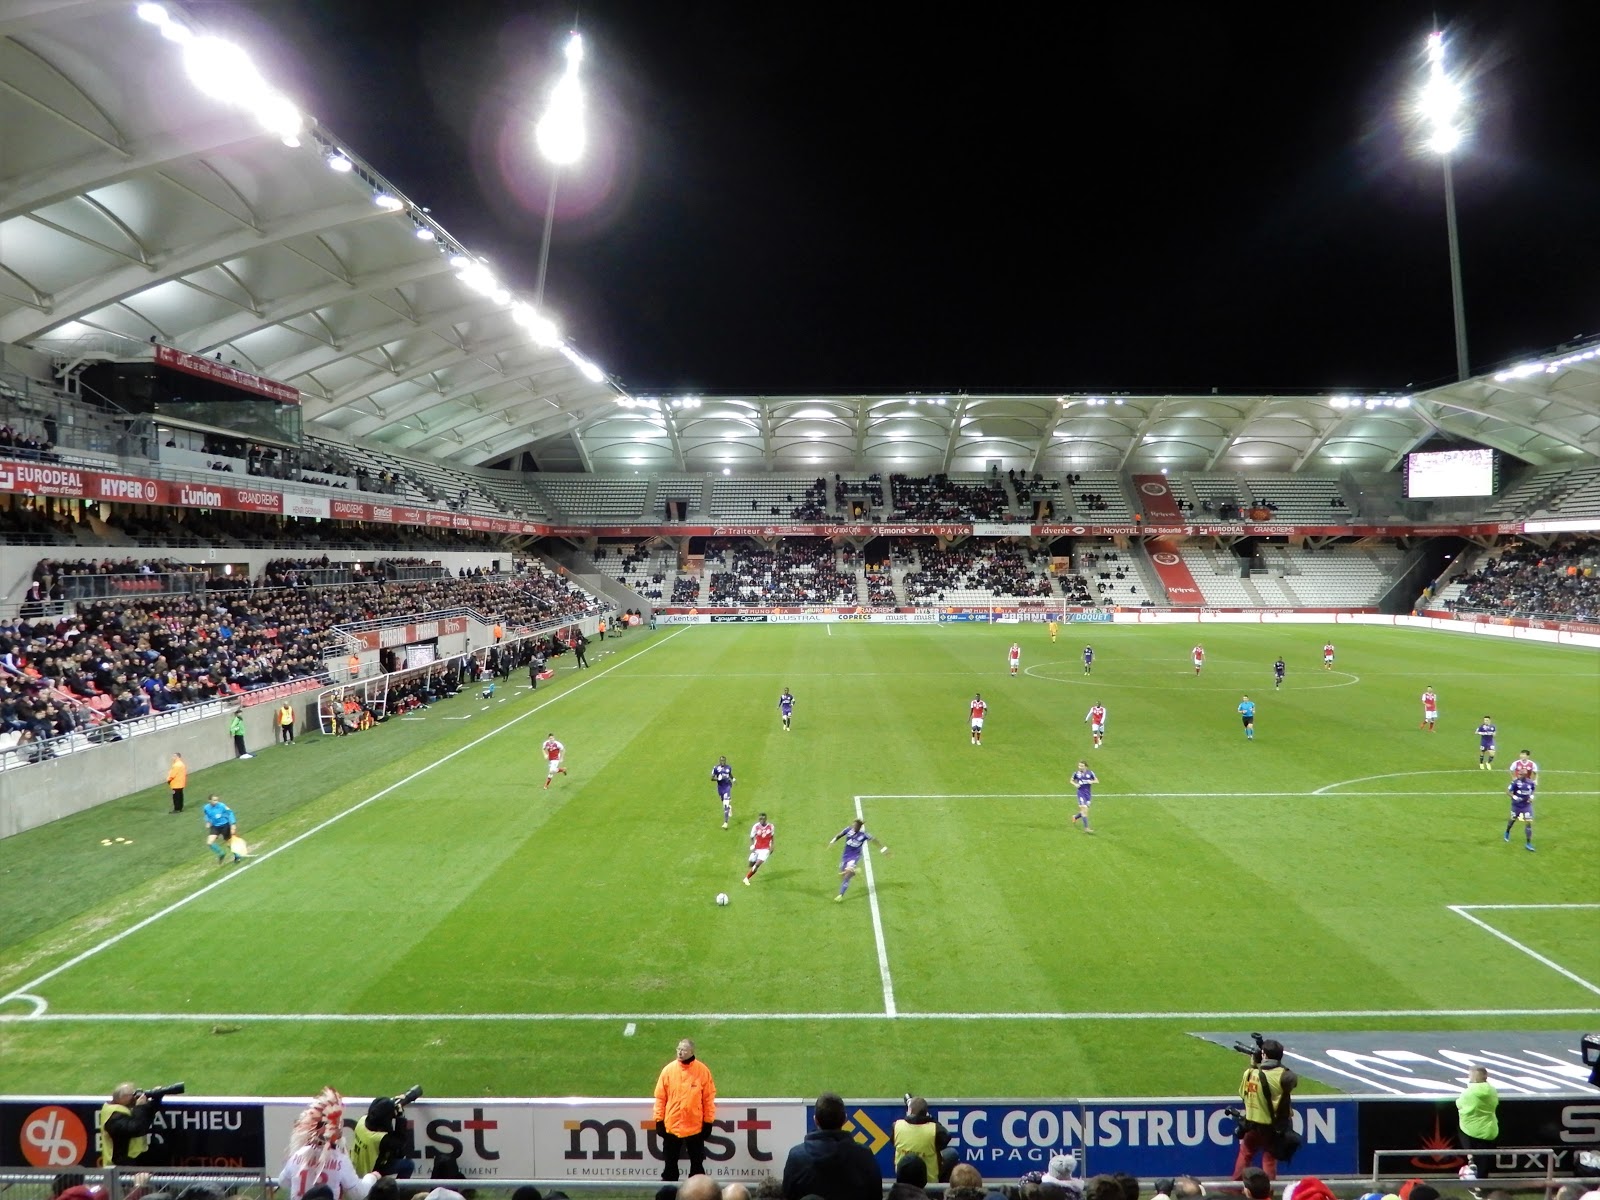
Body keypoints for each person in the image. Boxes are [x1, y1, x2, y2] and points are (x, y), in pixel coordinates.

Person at [278, 1087, 380, 1200]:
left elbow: (283, 1183)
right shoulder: (340, 1160)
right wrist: (372, 1177)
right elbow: (358, 1193)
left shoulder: (298, 1155)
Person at [780, 1092, 881, 1200]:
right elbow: (876, 1195)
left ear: (815, 1120)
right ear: (845, 1119)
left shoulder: (796, 1157)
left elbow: (787, 1195)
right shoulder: (864, 1155)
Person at [1232, 1038, 1297, 1181]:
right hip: (1273, 1127)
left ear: (1264, 1056)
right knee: (1269, 1160)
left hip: (1253, 1125)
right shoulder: (1284, 1076)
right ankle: (1267, 1192)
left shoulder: (1249, 1074)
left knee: (1245, 1154)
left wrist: (1254, 1064)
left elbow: (1243, 1094)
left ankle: (1235, 1190)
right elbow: (1291, 1081)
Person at [653, 1038, 716, 1182]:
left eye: (684, 1050)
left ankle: (697, 1195)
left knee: (697, 1167)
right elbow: (660, 1098)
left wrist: (708, 1122)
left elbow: (708, 1099)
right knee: (669, 1167)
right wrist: (658, 1120)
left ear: (691, 1052)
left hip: (695, 1126)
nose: (680, 1052)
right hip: (672, 1126)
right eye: (678, 1049)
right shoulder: (668, 1070)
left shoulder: (702, 1071)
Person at [349, 1093, 418, 1180]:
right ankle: (398, 1191)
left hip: (356, 1167)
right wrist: (400, 1117)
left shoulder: (362, 1121)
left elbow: (379, 1115)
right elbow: (400, 1141)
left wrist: (390, 1103)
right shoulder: (379, 1139)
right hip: (371, 1171)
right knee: (408, 1165)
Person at [98, 1083, 167, 1166]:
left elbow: (145, 1117)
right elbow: (136, 1128)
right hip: (119, 1165)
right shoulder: (113, 1117)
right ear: (123, 1098)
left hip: (134, 1160)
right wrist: (140, 1107)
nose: (134, 1097)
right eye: (132, 1095)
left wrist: (157, 1098)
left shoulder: (124, 1108)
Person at [892, 1096, 950, 1184]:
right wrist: (930, 1118)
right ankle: (941, 1190)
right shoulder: (935, 1129)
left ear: (909, 1111)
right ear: (925, 1113)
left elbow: (893, 1141)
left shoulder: (897, 1126)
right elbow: (946, 1138)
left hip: (902, 1181)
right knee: (952, 1154)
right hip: (929, 1184)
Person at [1455, 1066, 1499, 1178]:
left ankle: (1471, 1158)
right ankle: (1481, 1186)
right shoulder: (1493, 1090)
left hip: (1471, 1130)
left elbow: (1459, 1105)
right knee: (1484, 1159)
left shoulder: (1468, 1093)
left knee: (1461, 1131)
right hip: (1489, 1130)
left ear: (1473, 1078)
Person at [829, 817, 888, 901]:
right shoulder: (848, 830)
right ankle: (854, 871)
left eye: (855, 826)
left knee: (847, 875)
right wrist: (832, 841)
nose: (853, 827)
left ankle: (840, 895)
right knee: (844, 876)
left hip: (854, 856)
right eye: (853, 825)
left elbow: (874, 840)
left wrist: (883, 849)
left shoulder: (863, 835)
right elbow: (839, 835)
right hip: (845, 856)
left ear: (859, 827)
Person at [202, 793, 245, 864]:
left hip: (225, 825)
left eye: (217, 800)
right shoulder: (206, 807)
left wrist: (233, 824)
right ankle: (221, 853)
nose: (216, 801)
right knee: (209, 842)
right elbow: (207, 815)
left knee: (229, 843)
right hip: (215, 827)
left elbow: (230, 813)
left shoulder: (222, 806)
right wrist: (207, 822)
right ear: (209, 801)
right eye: (214, 800)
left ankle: (237, 856)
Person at [1504, 775, 1536, 851]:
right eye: (1520, 774)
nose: (1520, 776)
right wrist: (1515, 797)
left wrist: (1531, 798)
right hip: (1516, 806)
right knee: (1512, 820)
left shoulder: (1530, 782)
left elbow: (1533, 790)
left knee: (1528, 823)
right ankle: (1507, 832)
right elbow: (1508, 791)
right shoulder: (1515, 782)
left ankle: (1528, 844)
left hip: (1526, 806)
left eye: (1522, 775)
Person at [743, 813, 774, 885]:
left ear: (766, 819)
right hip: (757, 848)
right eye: (760, 819)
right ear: (759, 819)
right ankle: (752, 869)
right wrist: (752, 845)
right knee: (751, 864)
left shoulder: (771, 826)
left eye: (763, 819)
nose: (762, 820)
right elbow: (752, 836)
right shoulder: (756, 826)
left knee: (757, 865)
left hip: (765, 849)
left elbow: (772, 836)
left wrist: (772, 846)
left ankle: (746, 878)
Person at [1071, 761, 1097, 833]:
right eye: (1079, 766)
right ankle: (1086, 828)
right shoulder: (1076, 773)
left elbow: (1097, 780)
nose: (1080, 767)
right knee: (1084, 811)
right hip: (1080, 793)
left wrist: (1091, 782)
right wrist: (1075, 784)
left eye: (1082, 766)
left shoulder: (1090, 773)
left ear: (1086, 766)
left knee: (1084, 811)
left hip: (1088, 794)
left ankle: (1075, 817)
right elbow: (1071, 780)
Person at [712, 756, 735, 829]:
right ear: (719, 761)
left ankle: (725, 822)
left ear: (725, 761)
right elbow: (712, 778)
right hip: (720, 788)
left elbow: (729, 774)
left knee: (725, 804)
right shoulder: (716, 768)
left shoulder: (728, 767)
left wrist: (733, 779)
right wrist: (717, 778)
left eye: (724, 761)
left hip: (727, 787)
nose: (722, 762)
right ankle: (729, 807)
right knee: (724, 803)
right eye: (721, 761)